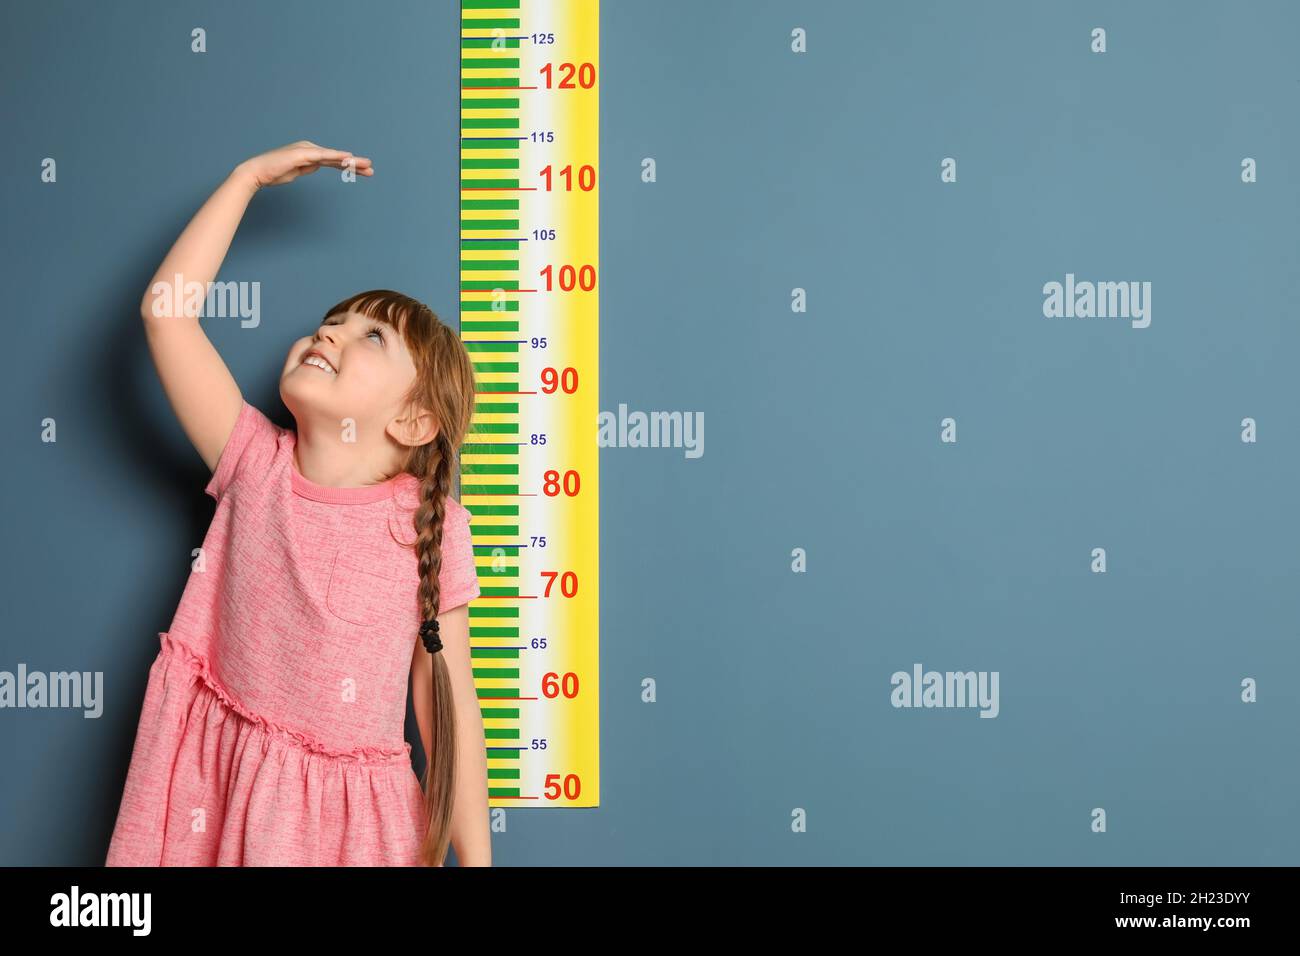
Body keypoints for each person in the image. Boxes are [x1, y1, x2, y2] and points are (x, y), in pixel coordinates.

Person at [104, 142, 489, 866]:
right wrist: (245, 178)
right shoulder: (253, 461)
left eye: (371, 336)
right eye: (331, 321)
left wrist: (477, 860)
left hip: (351, 833)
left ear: (412, 423)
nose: (331, 332)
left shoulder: (429, 529)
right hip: (208, 803)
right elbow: (167, 316)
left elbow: (449, 707)